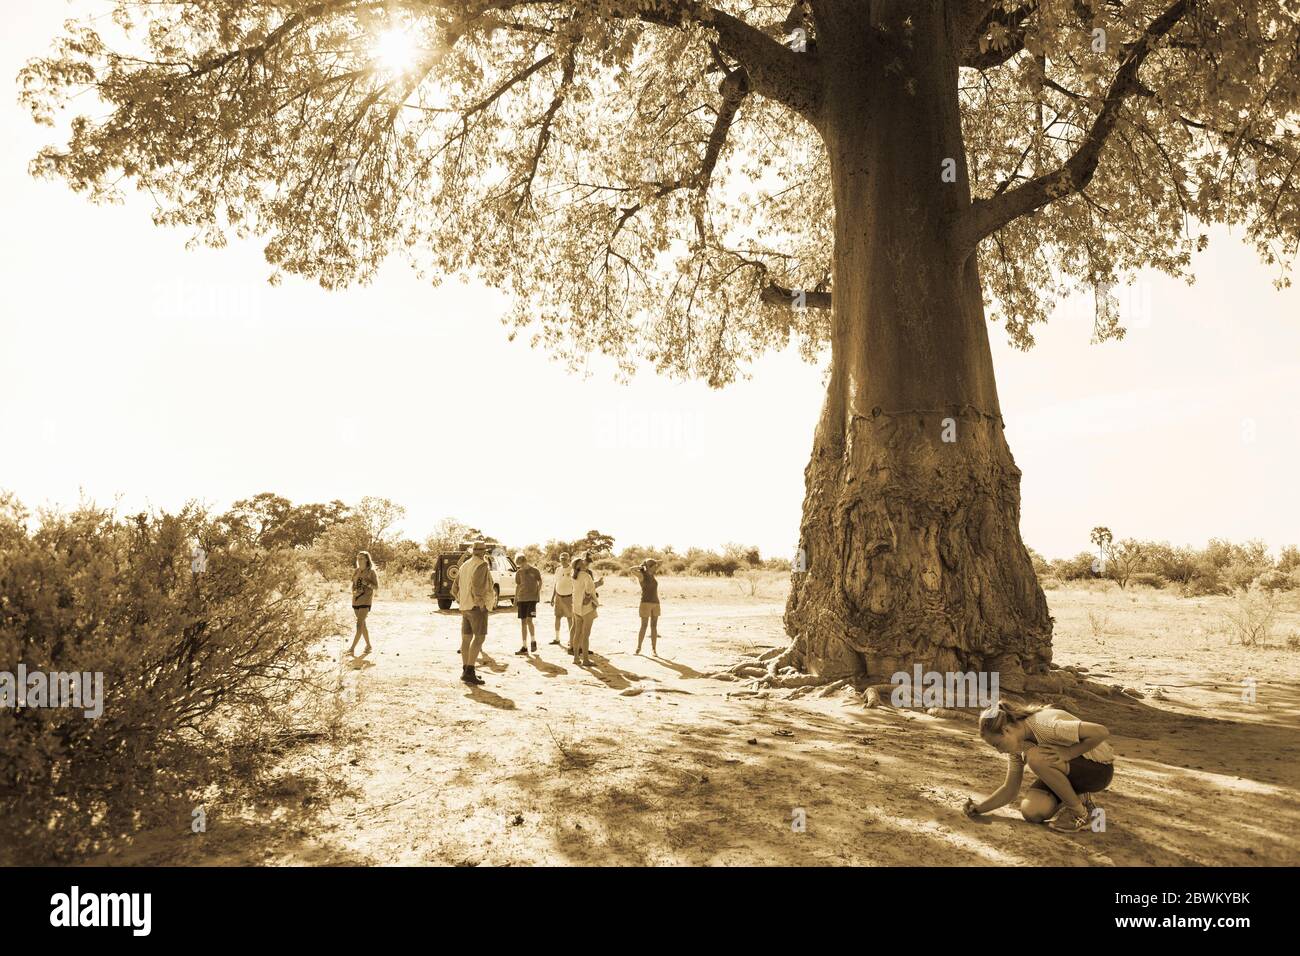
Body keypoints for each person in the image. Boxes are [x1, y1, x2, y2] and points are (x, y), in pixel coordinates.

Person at [963, 699, 1115, 832]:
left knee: (1036, 757)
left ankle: (1079, 813)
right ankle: (1081, 799)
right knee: (1031, 812)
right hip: (1066, 771)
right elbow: (1010, 789)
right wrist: (979, 808)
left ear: (1006, 730)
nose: (1000, 751)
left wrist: (1068, 752)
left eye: (997, 744)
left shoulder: (1044, 725)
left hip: (1098, 771)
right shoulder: (1017, 744)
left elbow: (1101, 732)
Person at [456, 540, 495, 685]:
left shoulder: (465, 565)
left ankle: (465, 669)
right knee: (479, 638)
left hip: (465, 606)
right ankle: (470, 671)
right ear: (483, 551)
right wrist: (481, 604)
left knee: (466, 639)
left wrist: (461, 600)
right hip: (476, 607)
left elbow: (455, 587)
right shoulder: (482, 564)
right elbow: (478, 587)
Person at [570, 554, 603, 666]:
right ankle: (585, 660)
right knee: (585, 635)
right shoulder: (586, 575)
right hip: (586, 607)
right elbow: (589, 590)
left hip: (576, 606)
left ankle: (575, 658)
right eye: (583, 563)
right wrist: (588, 597)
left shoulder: (573, 575)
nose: (585, 563)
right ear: (580, 565)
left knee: (577, 632)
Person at [348, 551, 379, 656]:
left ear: (366, 559)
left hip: (366, 600)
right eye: (358, 558)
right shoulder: (356, 571)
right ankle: (368, 645)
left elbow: (376, 587)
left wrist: (367, 584)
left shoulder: (371, 572)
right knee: (363, 625)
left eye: (361, 558)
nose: (359, 560)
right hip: (356, 600)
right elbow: (353, 584)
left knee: (359, 624)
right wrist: (353, 591)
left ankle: (352, 648)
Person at [630, 558, 661, 655]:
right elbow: (631, 570)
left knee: (654, 626)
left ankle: (654, 649)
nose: (656, 567)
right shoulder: (642, 575)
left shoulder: (653, 575)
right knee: (644, 626)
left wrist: (651, 563)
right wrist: (641, 566)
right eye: (654, 566)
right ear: (649, 567)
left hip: (656, 603)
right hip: (645, 603)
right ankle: (639, 647)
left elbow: (661, 562)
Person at [514, 552, 543, 655]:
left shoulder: (535, 571)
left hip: (531, 599)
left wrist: (537, 592)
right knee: (523, 622)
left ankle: (533, 641)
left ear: (525, 561)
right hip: (521, 599)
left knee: (529, 620)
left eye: (521, 564)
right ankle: (524, 646)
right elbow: (518, 586)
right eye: (519, 565)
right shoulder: (519, 573)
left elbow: (540, 581)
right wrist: (515, 599)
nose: (520, 567)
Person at [548, 551, 575, 648]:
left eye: (565, 558)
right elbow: (556, 583)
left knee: (570, 618)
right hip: (558, 596)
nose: (563, 560)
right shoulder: (558, 570)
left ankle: (571, 639)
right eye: (561, 558)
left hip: (568, 597)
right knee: (557, 617)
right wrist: (552, 597)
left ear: (568, 559)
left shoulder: (572, 569)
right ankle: (557, 638)